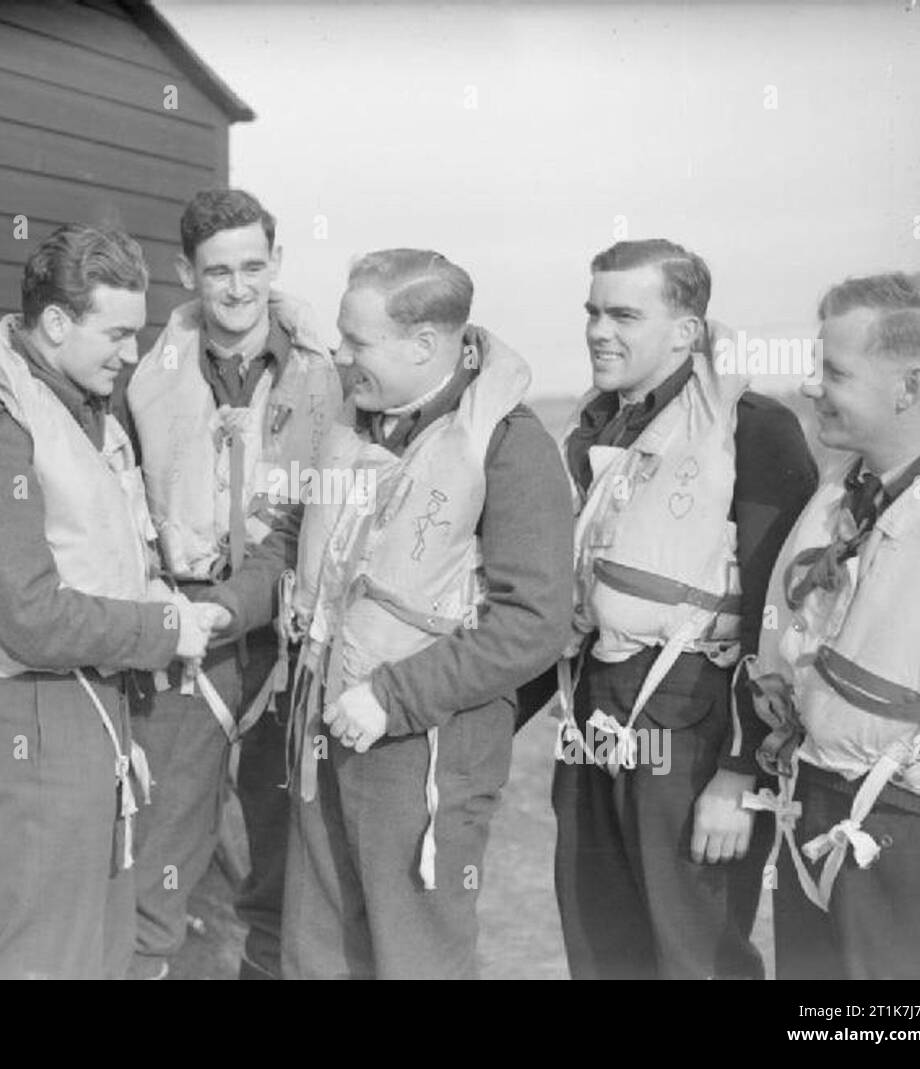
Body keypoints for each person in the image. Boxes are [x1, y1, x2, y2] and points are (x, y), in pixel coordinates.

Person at [207, 248, 572, 979]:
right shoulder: (354, 421)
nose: (341, 356)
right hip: (319, 729)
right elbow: (289, 540)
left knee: (413, 959)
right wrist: (221, 609)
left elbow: (532, 622)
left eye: (357, 342)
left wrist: (391, 697)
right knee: (318, 952)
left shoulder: (511, 447)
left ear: (425, 345)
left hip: (422, 751)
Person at [0, 224, 221, 979]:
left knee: (98, 953)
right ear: (55, 323)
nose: (130, 353)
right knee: (41, 960)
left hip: (91, 711)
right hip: (29, 719)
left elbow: (97, 558)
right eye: (116, 333)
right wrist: (161, 627)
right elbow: (30, 615)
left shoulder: (80, 409)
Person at [547, 238, 818, 979]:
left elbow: (777, 615)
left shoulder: (754, 429)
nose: (600, 330)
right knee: (601, 940)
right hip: (593, 711)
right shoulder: (599, 429)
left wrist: (740, 772)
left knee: (694, 952)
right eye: (593, 312)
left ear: (686, 330)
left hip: (696, 719)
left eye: (624, 314)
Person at [119, 189, 343, 980]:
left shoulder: (330, 375)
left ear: (276, 262)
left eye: (254, 266)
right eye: (219, 271)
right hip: (189, 643)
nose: (239, 287)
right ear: (187, 273)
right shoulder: (145, 379)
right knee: (156, 861)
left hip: (290, 646)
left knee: (289, 873)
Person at [746, 272, 920, 980]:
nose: (811, 386)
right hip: (817, 799)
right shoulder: (850, 490)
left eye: (834, 371)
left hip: (916, 831)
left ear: (907, 387)